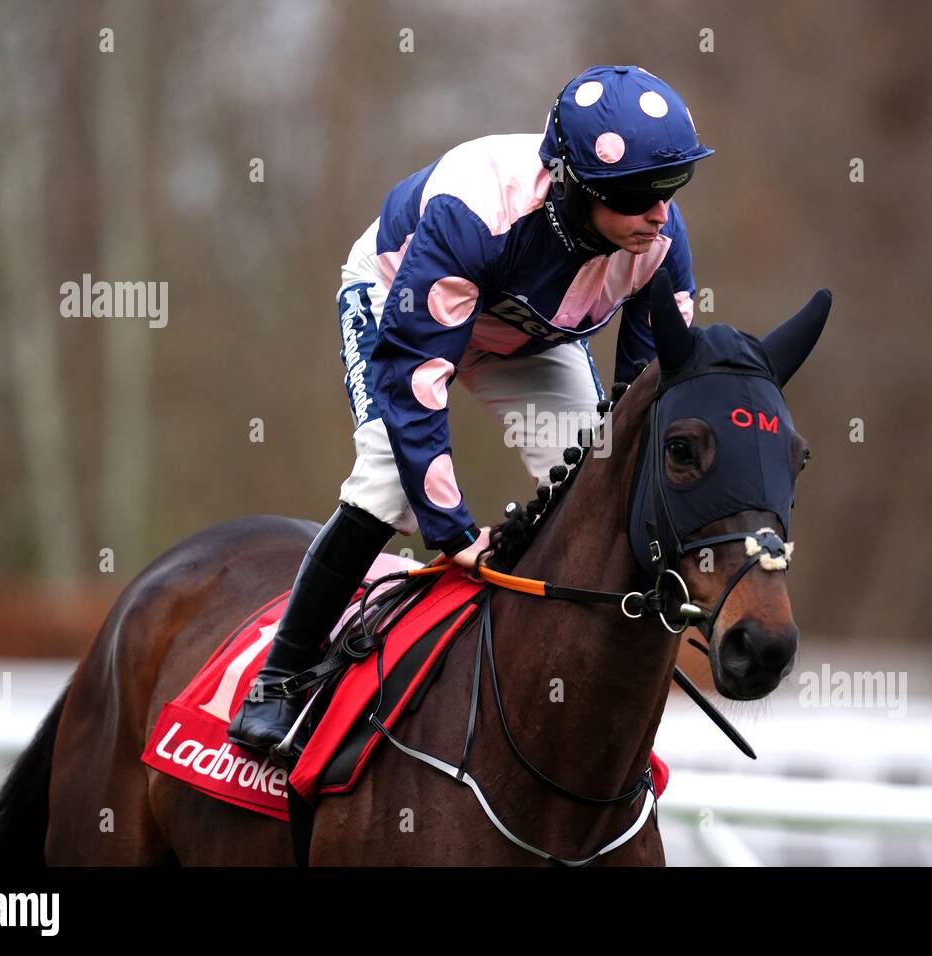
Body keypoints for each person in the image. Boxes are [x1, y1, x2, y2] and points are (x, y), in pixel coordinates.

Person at [228, 64, 715, 756]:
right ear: (574, 185)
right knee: (392, 481)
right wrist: (455, 533)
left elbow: (645, 401)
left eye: (672, 190)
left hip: (525, 336)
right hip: (403, 304)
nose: (661, 214)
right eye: (640, 196)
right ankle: (279, 678)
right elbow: (418, 375)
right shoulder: (476, 212)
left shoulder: (659, 242)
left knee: (610, 478)